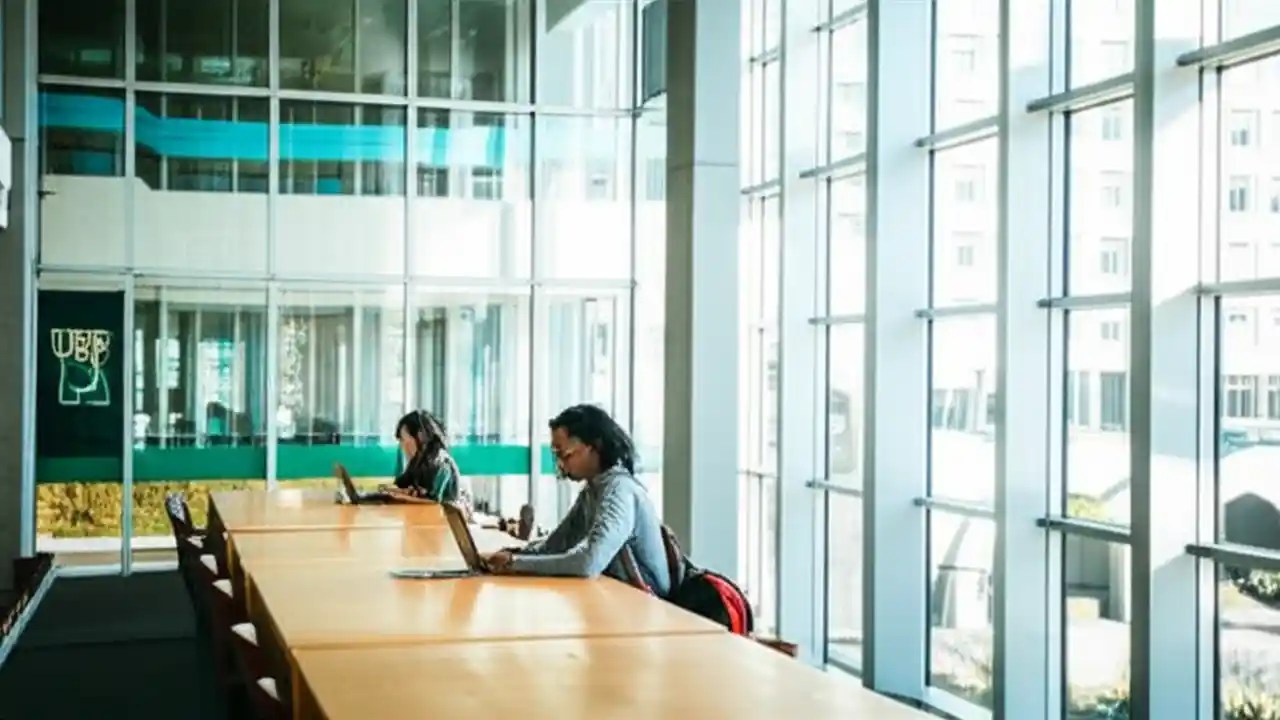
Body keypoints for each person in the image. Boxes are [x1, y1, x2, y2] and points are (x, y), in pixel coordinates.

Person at [486, 404, 670, 596]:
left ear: (595, 446)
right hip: (614, 596)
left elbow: (588, 562)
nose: (561, 465)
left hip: (647, 604)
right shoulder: (592, 490)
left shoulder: (619, 491)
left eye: (565, 455)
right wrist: (507, 556)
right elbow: (554, 545)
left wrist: (514, 563)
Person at [385, 410, 473, 513]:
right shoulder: (418, 460)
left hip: (445, 522)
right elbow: (402, 484)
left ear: (420, 436)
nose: (403, 447)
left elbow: (433, 501)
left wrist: (400, 496)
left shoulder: (440, 462)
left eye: (405, 440)